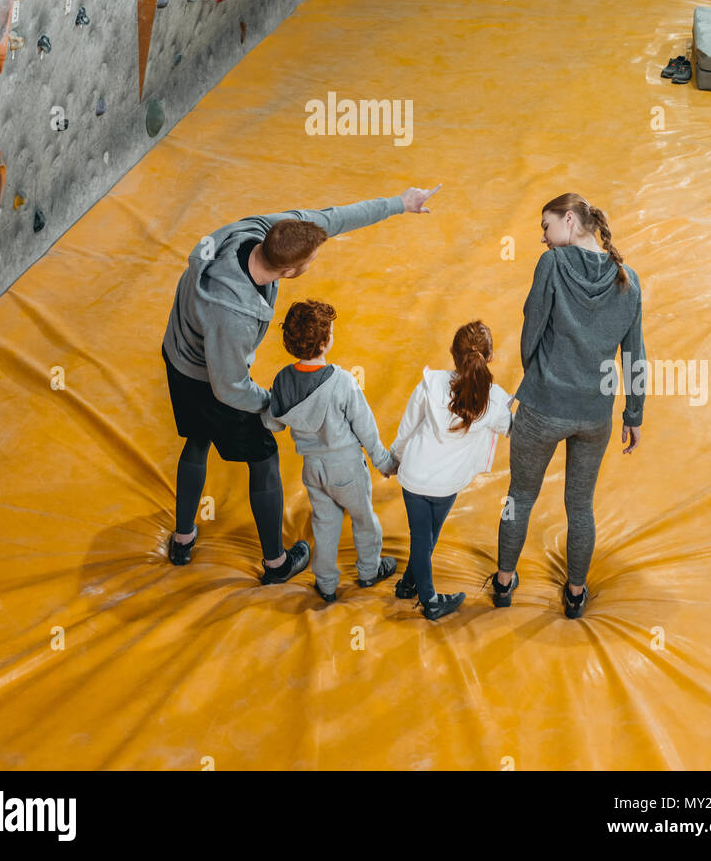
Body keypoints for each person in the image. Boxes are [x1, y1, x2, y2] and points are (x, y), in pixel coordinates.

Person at [160, 184, 441, 583]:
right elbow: (228, 387)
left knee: (197, 439)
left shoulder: (260, 231)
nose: (315, 258)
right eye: (311, 260)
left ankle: (183, 538)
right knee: (264, 456)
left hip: (179, 350)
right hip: (207, 377)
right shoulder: (232, 315)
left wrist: (399, 204)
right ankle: (276, 563)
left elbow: (332, 217)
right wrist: (278, 405)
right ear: (289, 271)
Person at [491, 193, 647, 619]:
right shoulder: (627, 278)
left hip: (543, 405)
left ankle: (504, 583)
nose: (544, 238)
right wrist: (633, 414)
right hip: (595, 415)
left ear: (571, 219)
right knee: (580, 506)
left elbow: (531, 332)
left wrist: (538, 377)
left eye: (546, 226)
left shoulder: (553, 266)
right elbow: (634, 354)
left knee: (518, 497)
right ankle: (576, 592)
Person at [261, 300, 397, 602]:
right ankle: (369, 570)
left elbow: (273, 423)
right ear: (325, 342)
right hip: (346, 466)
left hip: (312, 469)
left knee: (324, 523)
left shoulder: (282, 379)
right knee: (364, 520)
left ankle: (325, 583)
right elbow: (365, 428)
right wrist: (384, 461)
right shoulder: (342, 381)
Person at [389, 321, 513, 622]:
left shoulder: (430, 385)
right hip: (447, 485)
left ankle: (408, 583)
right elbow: (512, 428)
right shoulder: (495, 401)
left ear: (452, 354)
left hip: (414, 476)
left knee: (422, 537)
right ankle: (430, 600)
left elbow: (407, 427)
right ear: (491, 358)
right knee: (428, 537)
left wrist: (394, 457)